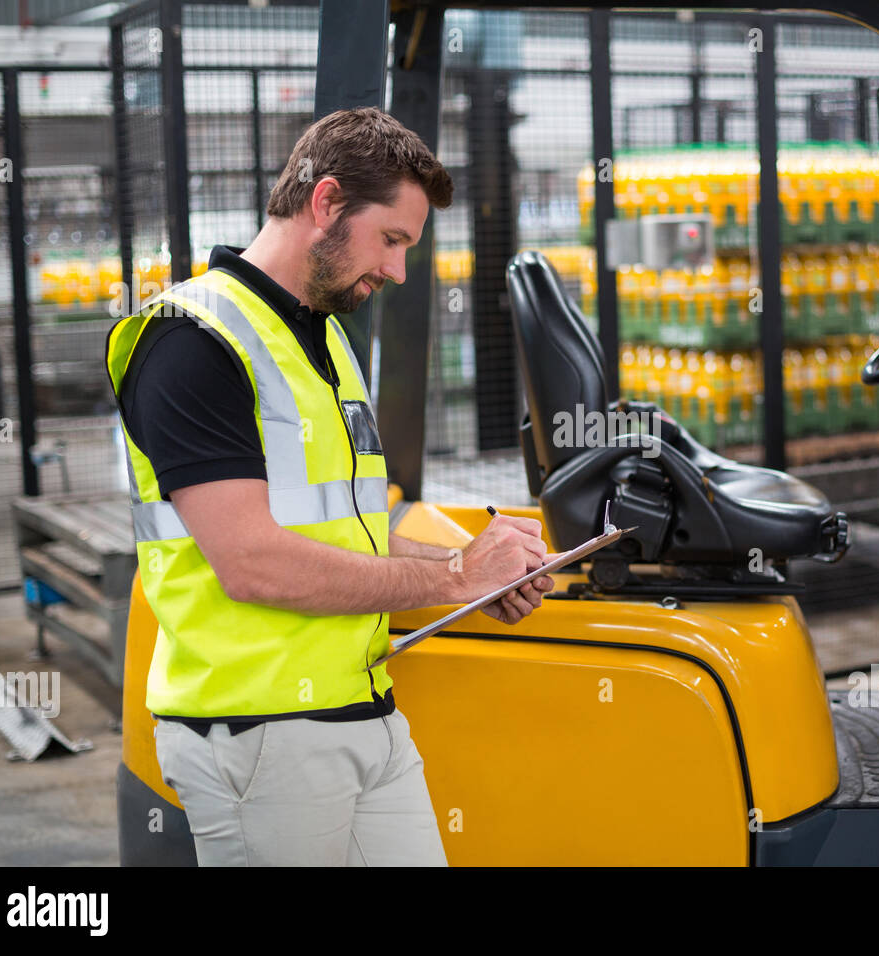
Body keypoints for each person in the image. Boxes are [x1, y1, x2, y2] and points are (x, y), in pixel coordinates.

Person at [104, 107, 554, 866]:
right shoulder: (191, 342)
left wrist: (475, 576)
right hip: (258, 732)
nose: (399, 270)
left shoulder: (324, 339)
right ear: (326, 203)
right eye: (392, 240)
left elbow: (347, 538)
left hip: (364, 712)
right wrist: (453, 572)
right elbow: (251, 560)